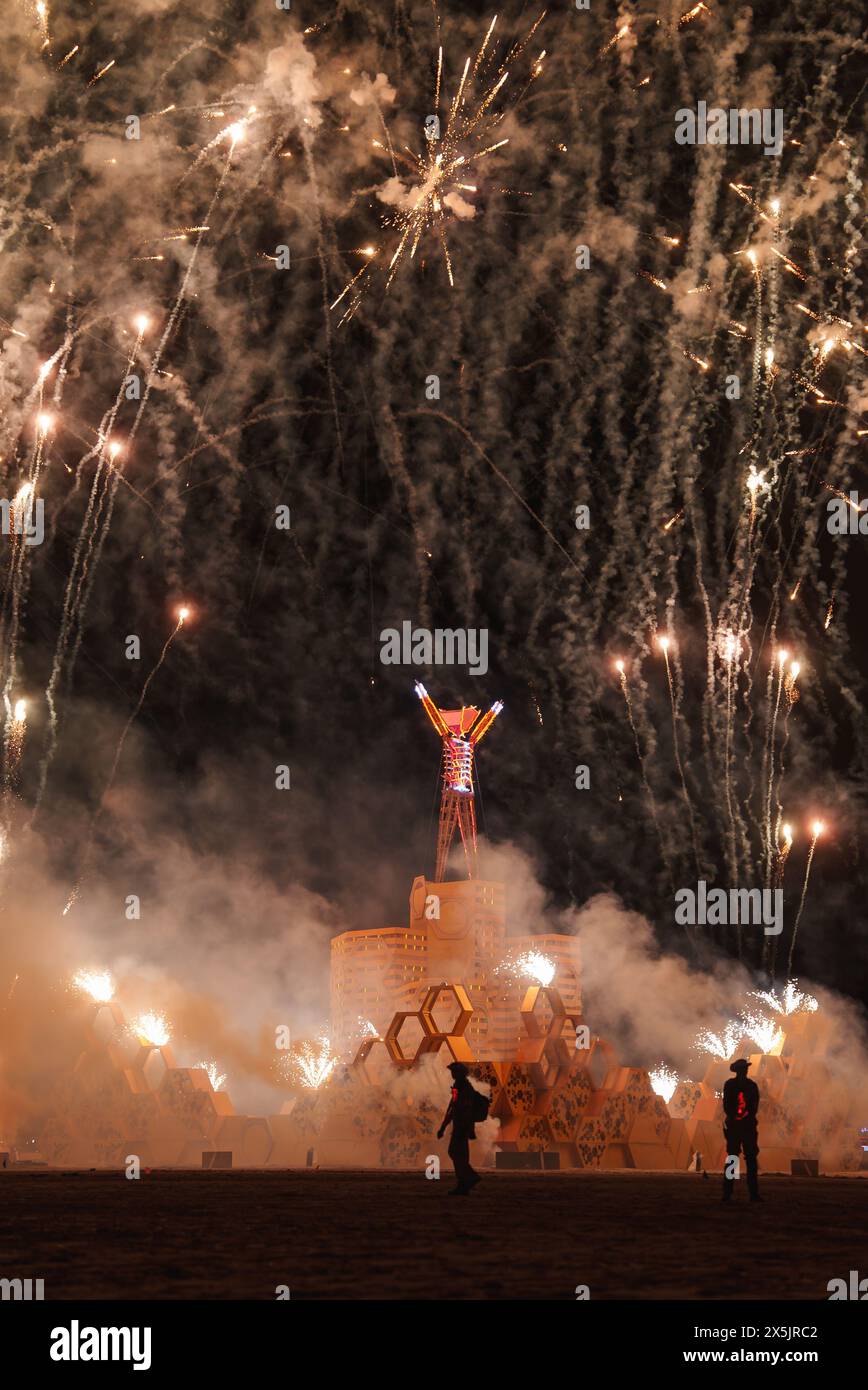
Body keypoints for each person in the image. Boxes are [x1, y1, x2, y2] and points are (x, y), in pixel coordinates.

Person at [437, 1061, 481, 1195]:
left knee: (455, 1152)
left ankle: (467, 1179)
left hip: (462, 1126)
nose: (452, 1073)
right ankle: (465, 1181)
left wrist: (444, 1127)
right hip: (462, 1125)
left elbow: (457, 1108)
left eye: (453, 1071)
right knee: (458, 1154)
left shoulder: (463, 1087)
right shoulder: (460, 1086)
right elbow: (453, 1106)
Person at [721, 1057, 761, 1203]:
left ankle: (752, 1193)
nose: (745, 1071)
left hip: (744, 1126)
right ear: (738, 1071)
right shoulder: (733, 1085)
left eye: (745, 1068)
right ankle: (728, 1192)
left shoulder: (750, 1086)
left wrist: (742, 1117)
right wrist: (737, 1117)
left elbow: (754, 1107)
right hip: (737, 1127)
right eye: (743, 1068)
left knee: (749, 1159)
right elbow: (727, 1106)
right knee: (734, 1158)